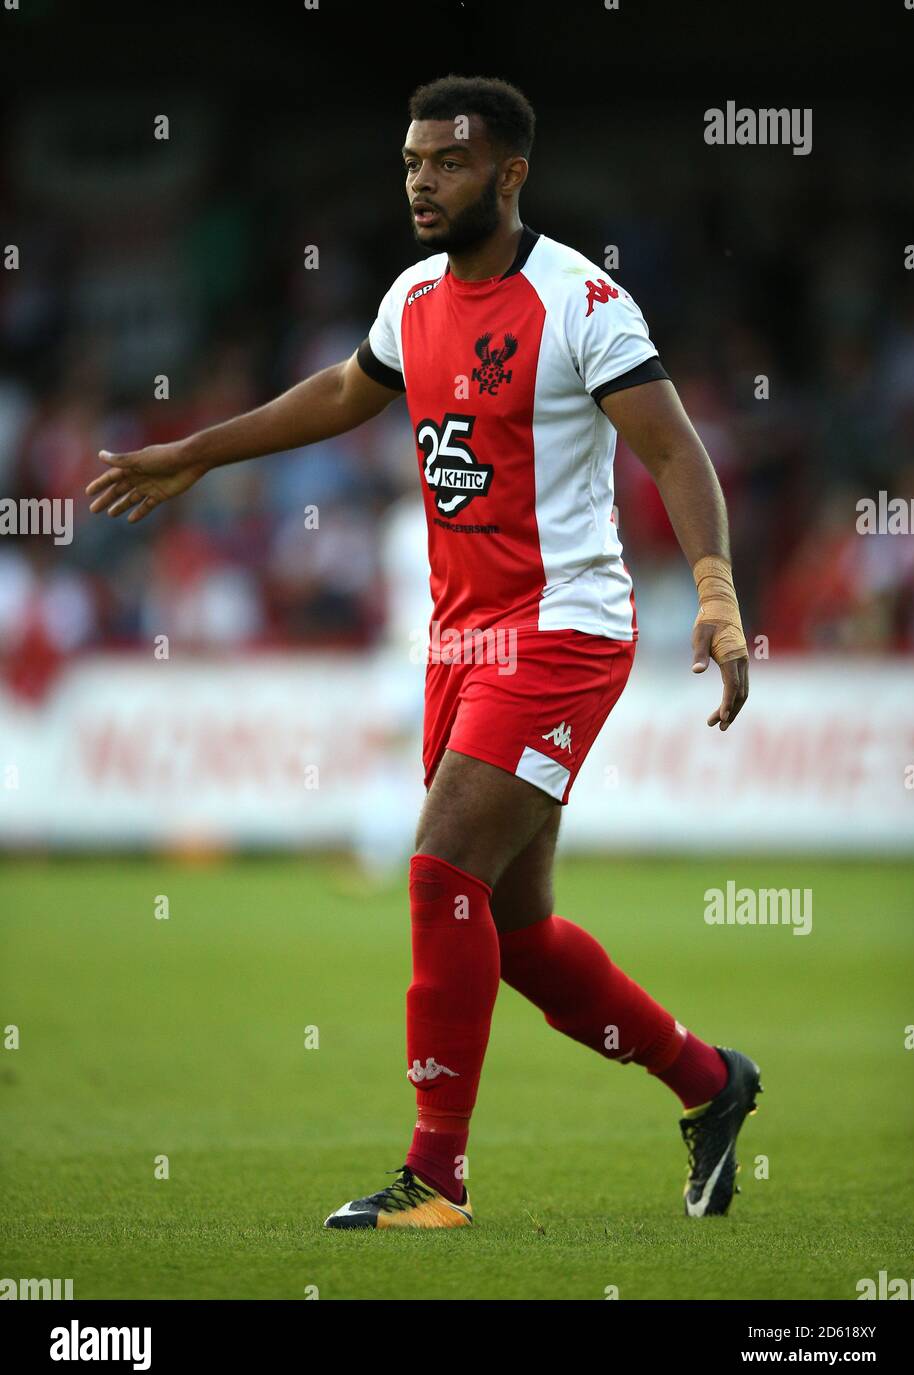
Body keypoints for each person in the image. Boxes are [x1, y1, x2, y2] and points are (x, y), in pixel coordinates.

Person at [86, 75, 759, 1231]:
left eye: (445, 163)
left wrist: (714, 593)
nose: (419, 181)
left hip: (561, 633)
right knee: (512, 933)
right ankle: (709, 1080)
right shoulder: (410, 298)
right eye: (409, 162)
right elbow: (347, 391)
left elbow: (674, 450)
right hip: (460, 642)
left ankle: (433, 1177)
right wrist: (197, 449)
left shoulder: (582, 301)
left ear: (508, 174)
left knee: (438, 865)